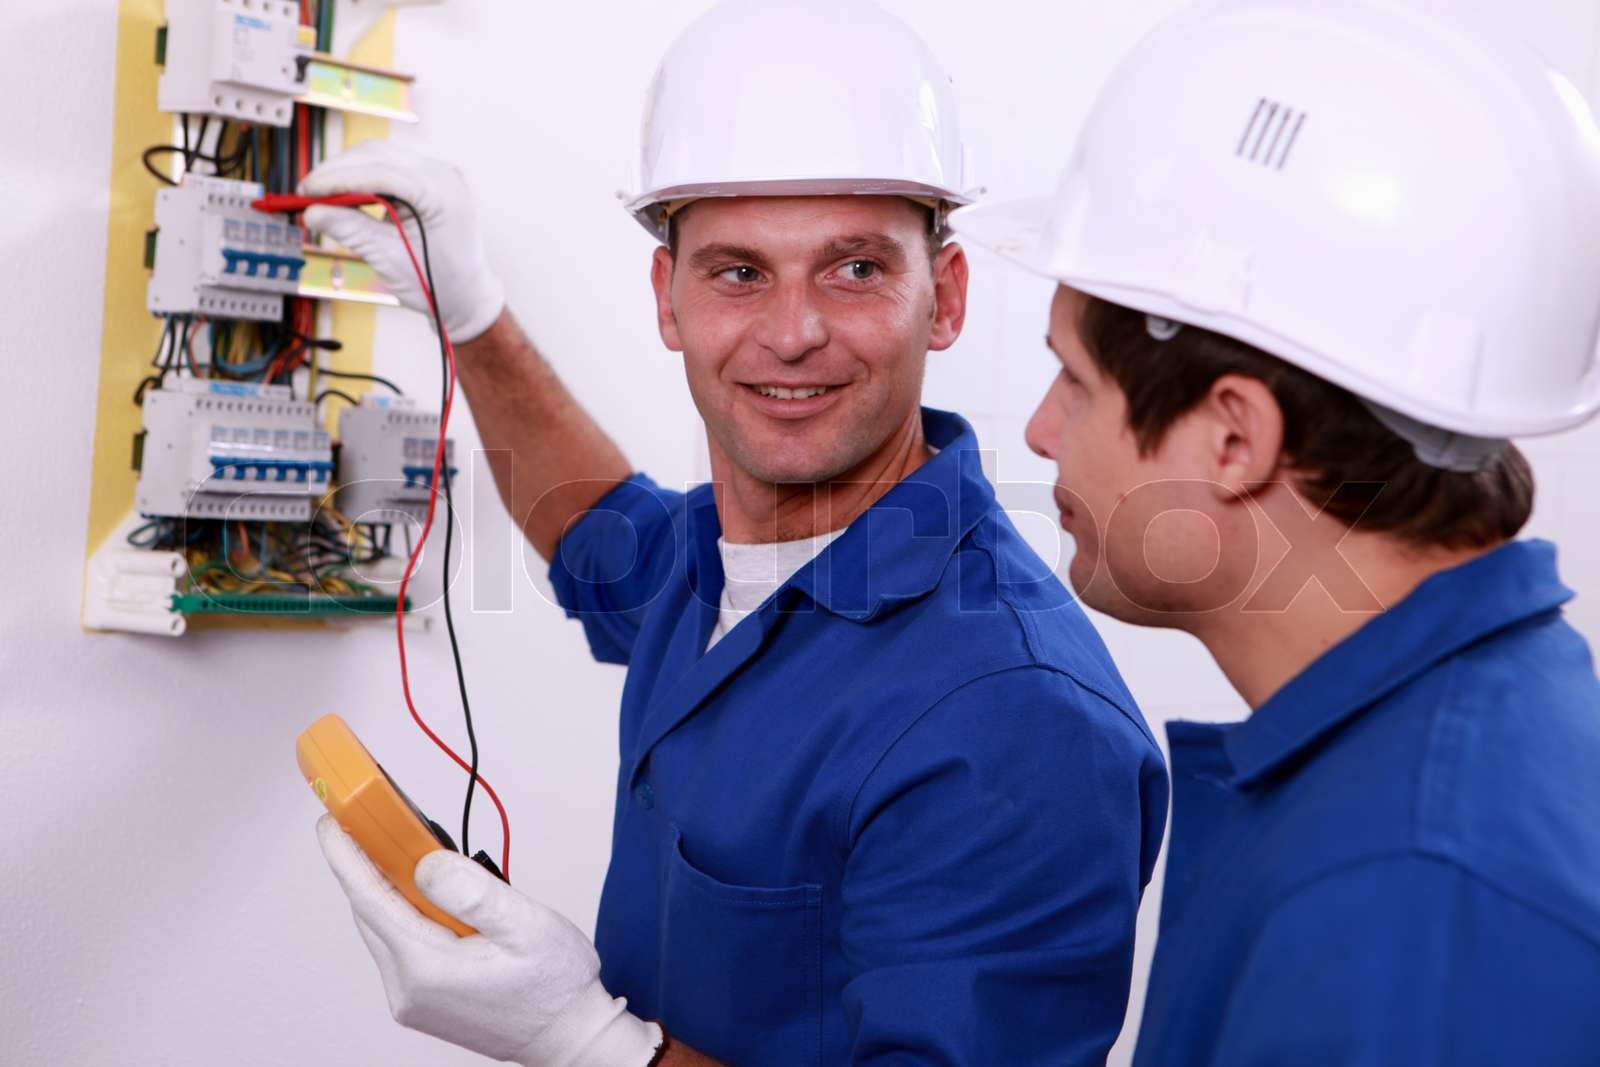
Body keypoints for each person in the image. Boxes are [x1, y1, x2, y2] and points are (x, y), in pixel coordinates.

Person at [305, 1, 1167, 1064]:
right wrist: (473, 315)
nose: (792, 332)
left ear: (942, 297)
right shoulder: (719, 561)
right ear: (668, 298)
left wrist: (588, 1041)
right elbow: (594, 532)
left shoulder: (1015, 722)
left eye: (854, 268)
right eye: (738, 271)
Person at [953, 0, 1600, 1062]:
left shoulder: (1416, 912)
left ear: (1231, 434)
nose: (1037, 427)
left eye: (1074, 377)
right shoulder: (1424, 770)